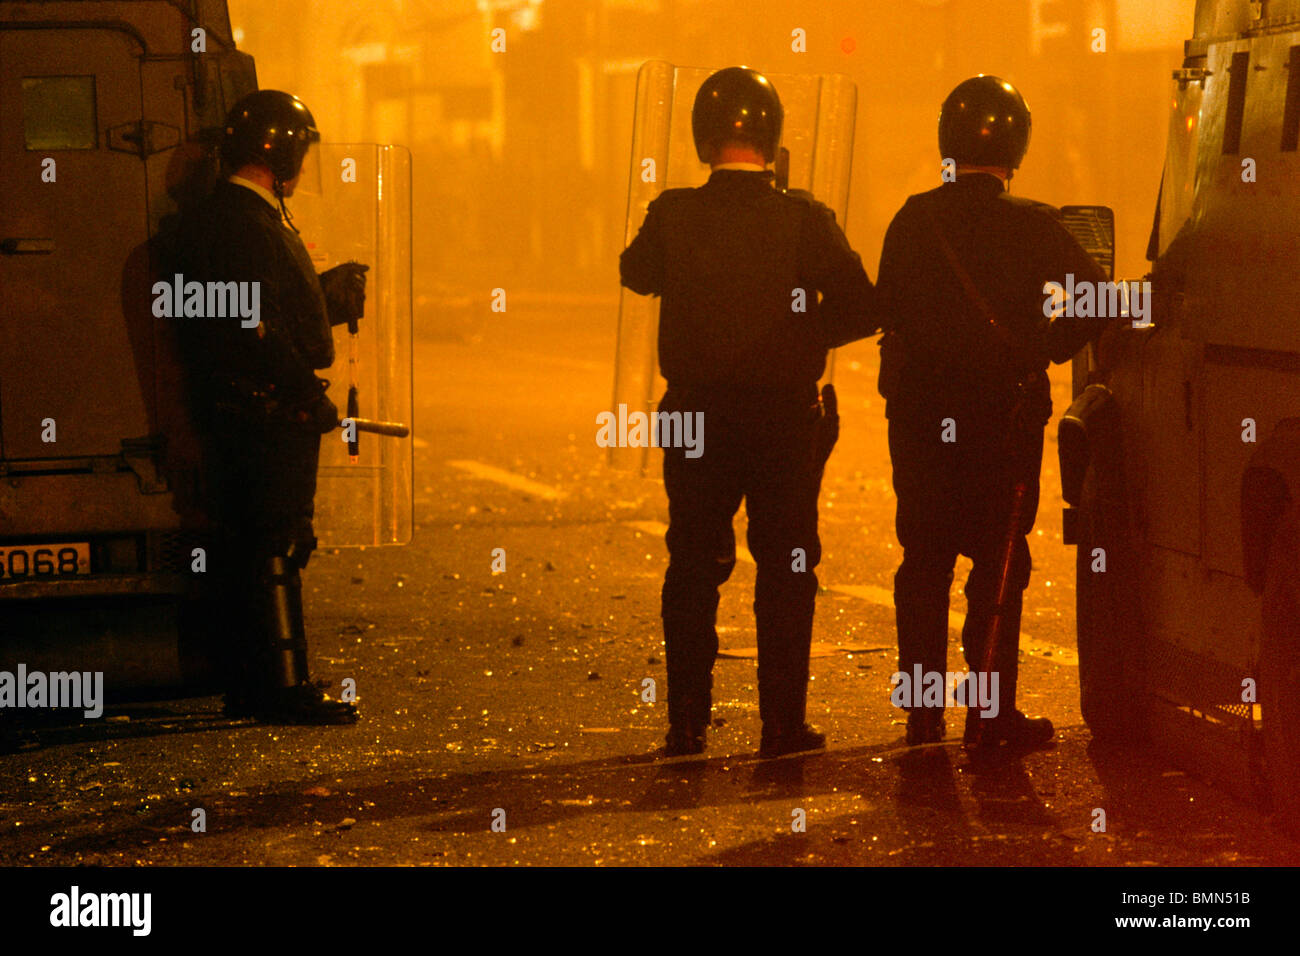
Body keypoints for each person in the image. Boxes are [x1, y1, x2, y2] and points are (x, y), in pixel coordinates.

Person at [620, 66, 879, 758]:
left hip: (695, 416)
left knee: (693, 564)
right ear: (773, 136)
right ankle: (782, 727)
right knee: (788, 566)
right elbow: (862, 305)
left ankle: (685, 724)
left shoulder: (673, 213)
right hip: (783, 419)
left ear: (703, 137)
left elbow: (635, 271)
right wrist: (798, 334)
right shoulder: (803, 217)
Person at [875, 75, 1112, 751]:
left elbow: (884, 309)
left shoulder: (911, 220)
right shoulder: (1035, 223)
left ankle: (923, 716)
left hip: (920, 422)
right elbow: (1098, 304)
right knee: (1000, 563)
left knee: (923, 562)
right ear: (1017, 144)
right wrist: (1043, 350)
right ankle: (989, 717)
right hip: (1002, 420)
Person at [167, 90, 367, 724]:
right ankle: (279, 685)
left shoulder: (222, 218)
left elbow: (258, 310)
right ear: (280, 154)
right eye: (301, 153)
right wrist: (306, 394)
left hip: (243, 407)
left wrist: (325, 296)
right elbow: (250, 326)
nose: (304, 167)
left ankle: (252, 680)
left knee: (255, 540)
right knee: (275, 540)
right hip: (266, 411)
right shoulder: (244, 222)